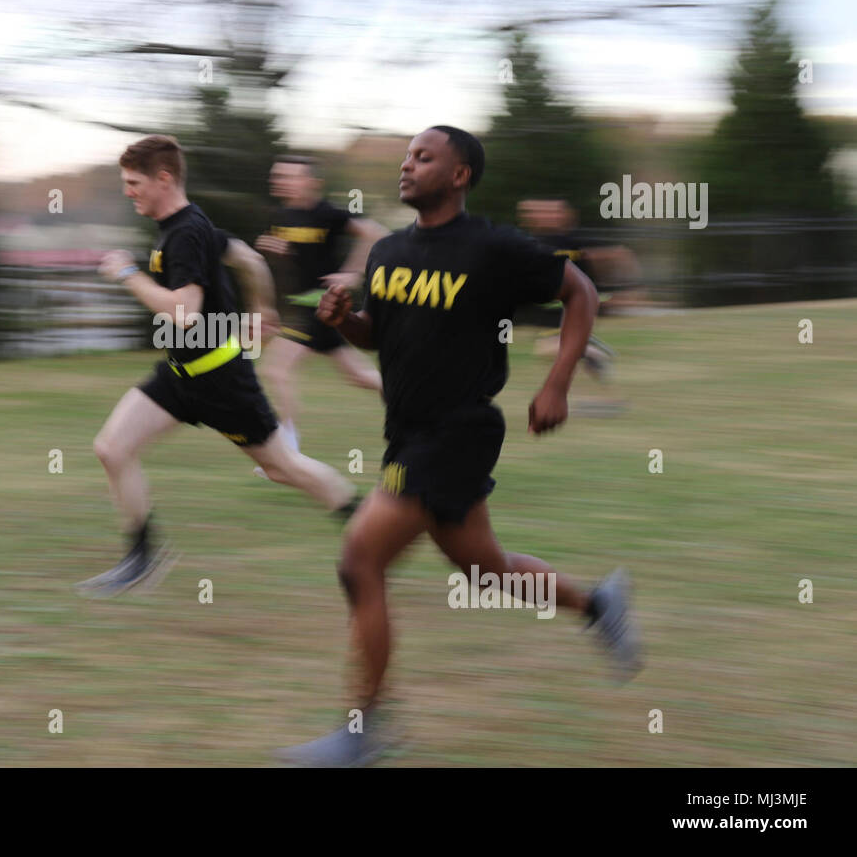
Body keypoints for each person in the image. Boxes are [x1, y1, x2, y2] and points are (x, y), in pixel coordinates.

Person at [276, 127, 643, 766]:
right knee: (483, 567)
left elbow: (579, 291)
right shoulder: (388, 252)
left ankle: (364, 732)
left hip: (459, 433)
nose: (407, 165)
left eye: (424, 157)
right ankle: (597, 603)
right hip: (407, 434)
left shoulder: (493, 247)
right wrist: (345, 322)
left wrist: (557, 382)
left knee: (358, 560)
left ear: (461, 174)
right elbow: (378, 338)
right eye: (407, 156)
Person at [79, 135, 358, 598]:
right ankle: (143, 558)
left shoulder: (186, 232)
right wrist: (262, 309)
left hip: (221, 378)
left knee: (284, 468)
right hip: (181, 373)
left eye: (134, 182)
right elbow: (248, 258)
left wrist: (128, 274)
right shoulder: (184, 225)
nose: (128, 191)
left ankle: (368, 523)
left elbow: (184, 313)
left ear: (163, 178)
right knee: (111, 448)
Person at [252, 156, 386, 477]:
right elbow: (282, 267)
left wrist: (352, 273)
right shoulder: (279, 216)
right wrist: (271, 256)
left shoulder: (328, 214)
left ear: (312, 182)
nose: (280, 181)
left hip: (321, 306)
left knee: (276, 368)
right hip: (303, 309)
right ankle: (417, 395)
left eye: (288, 175)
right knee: (360, 377)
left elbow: (376, 234)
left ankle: (287, 449)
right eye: (277, 175)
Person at [515, 197, 645, 390]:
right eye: (540, 213)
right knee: (553, 350)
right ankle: (592, 359)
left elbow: (618, 254)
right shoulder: (538, 242)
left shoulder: (572, 242)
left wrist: (630, 287)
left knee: (547, 348)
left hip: (569, 305)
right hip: (560, 306)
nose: (544, 216)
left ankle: (589, 350)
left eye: (552, 213)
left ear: (563, 217)